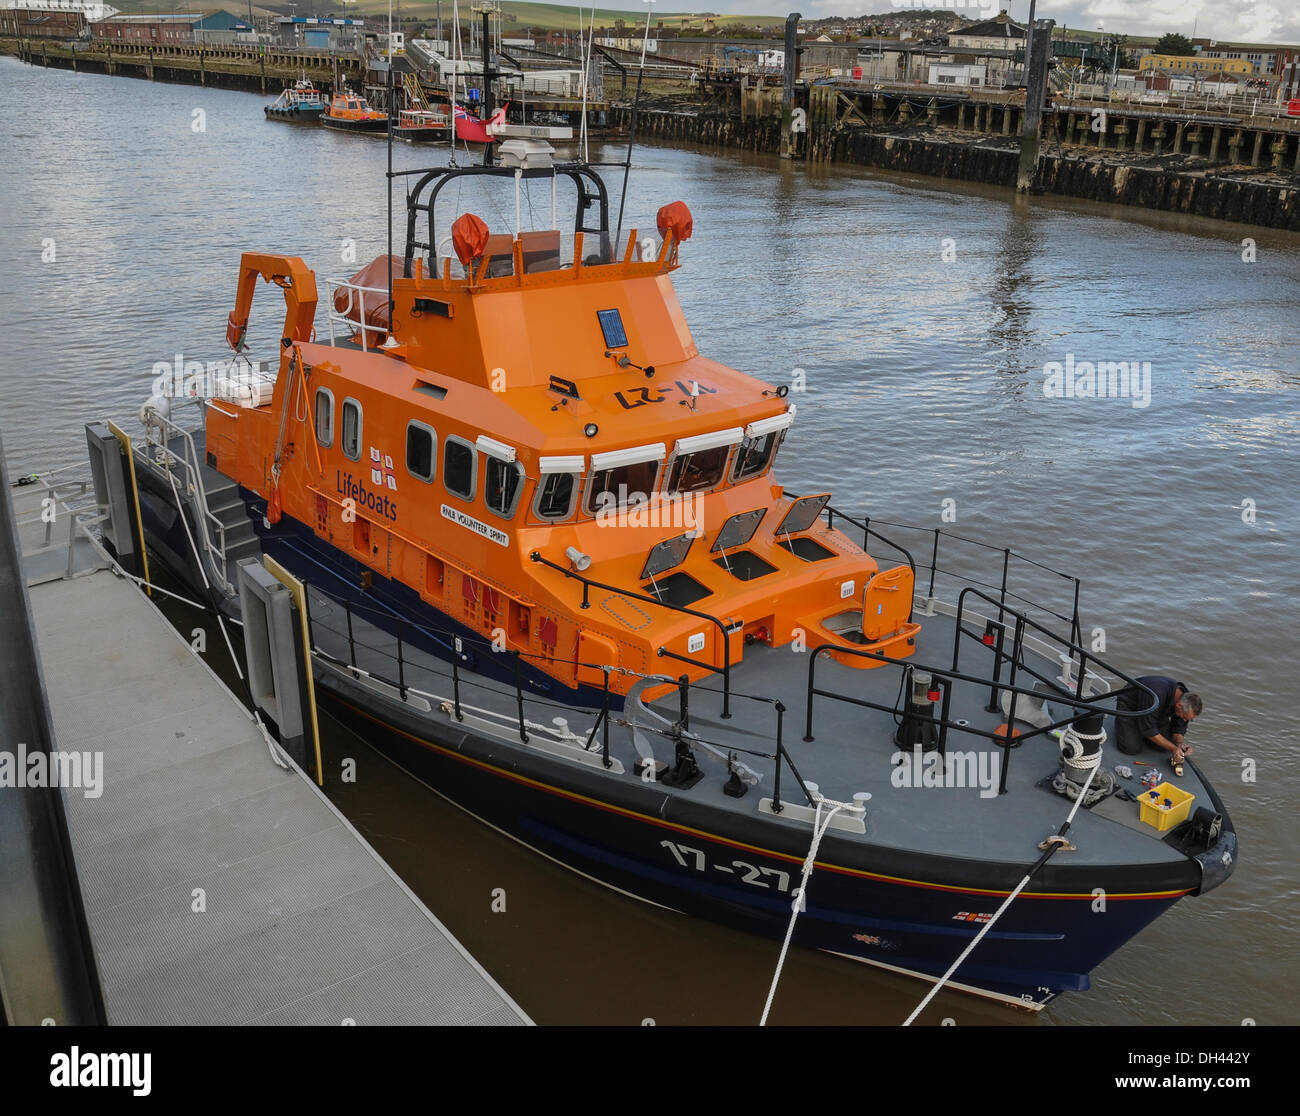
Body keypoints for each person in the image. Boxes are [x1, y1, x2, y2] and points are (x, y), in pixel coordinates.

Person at [1114, 676, 1202, 775]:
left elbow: (1179, 726)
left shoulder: (1184, 700)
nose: (1185, 720)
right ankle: (1123, 724)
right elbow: (1148, 729)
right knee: (1130, 748)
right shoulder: (1156, 692)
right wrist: (1173, 749)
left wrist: (1179, 744)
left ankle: (1142, 733)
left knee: (1167, 744)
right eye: (1185, 717)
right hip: (1131, 706)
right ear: (1178, 706)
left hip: (1156, 712)